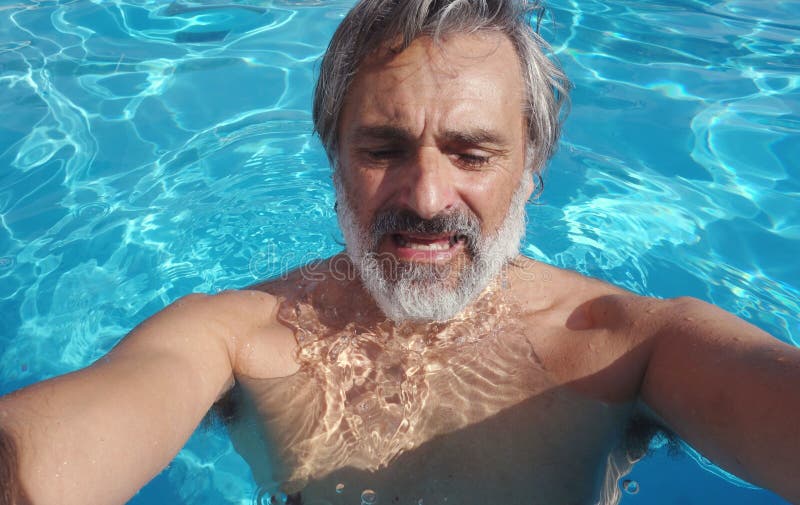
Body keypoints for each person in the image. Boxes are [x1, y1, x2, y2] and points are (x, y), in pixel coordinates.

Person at [1, 1, 798, 504]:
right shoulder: (238, 338)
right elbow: (52, 446)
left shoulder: (630, 347)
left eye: (472, 153)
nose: (424, 196)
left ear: (533, 169)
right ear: (332, 155)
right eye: (383, 147)